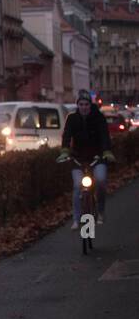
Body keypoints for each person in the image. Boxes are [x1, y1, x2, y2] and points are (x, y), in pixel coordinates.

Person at [59, 90, 114, 227]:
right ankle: (77, 219)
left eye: (86, 104)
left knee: (100, 181)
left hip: (97, 158)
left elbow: (104, 136)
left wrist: (106, 151)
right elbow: (66, 136)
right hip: (78, 159)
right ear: (78, 105)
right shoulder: (72, 118)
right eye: (81, 104)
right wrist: (65, 151)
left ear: (90, 105)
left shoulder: (99, 117)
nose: (84, 107)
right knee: (78, 186)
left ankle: (100, 211)